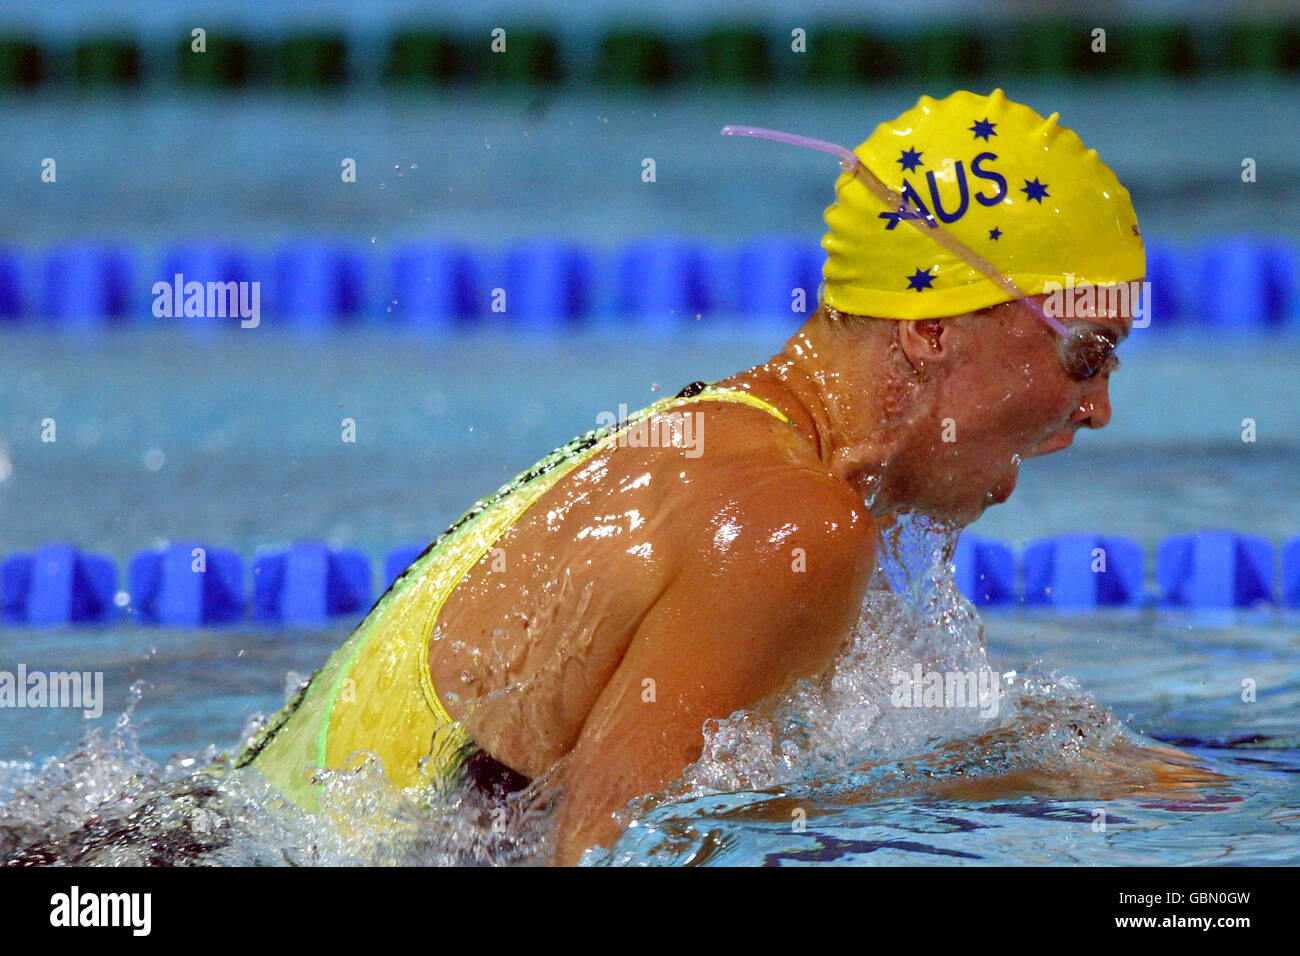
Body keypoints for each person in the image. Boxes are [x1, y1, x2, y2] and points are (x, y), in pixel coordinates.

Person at [237, 89, 1171, 865]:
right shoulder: (784, 526)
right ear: (931, 331)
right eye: (1086, 354)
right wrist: (1025, 776)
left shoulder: (728, 442)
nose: (1097, 408)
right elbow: (608, 855)